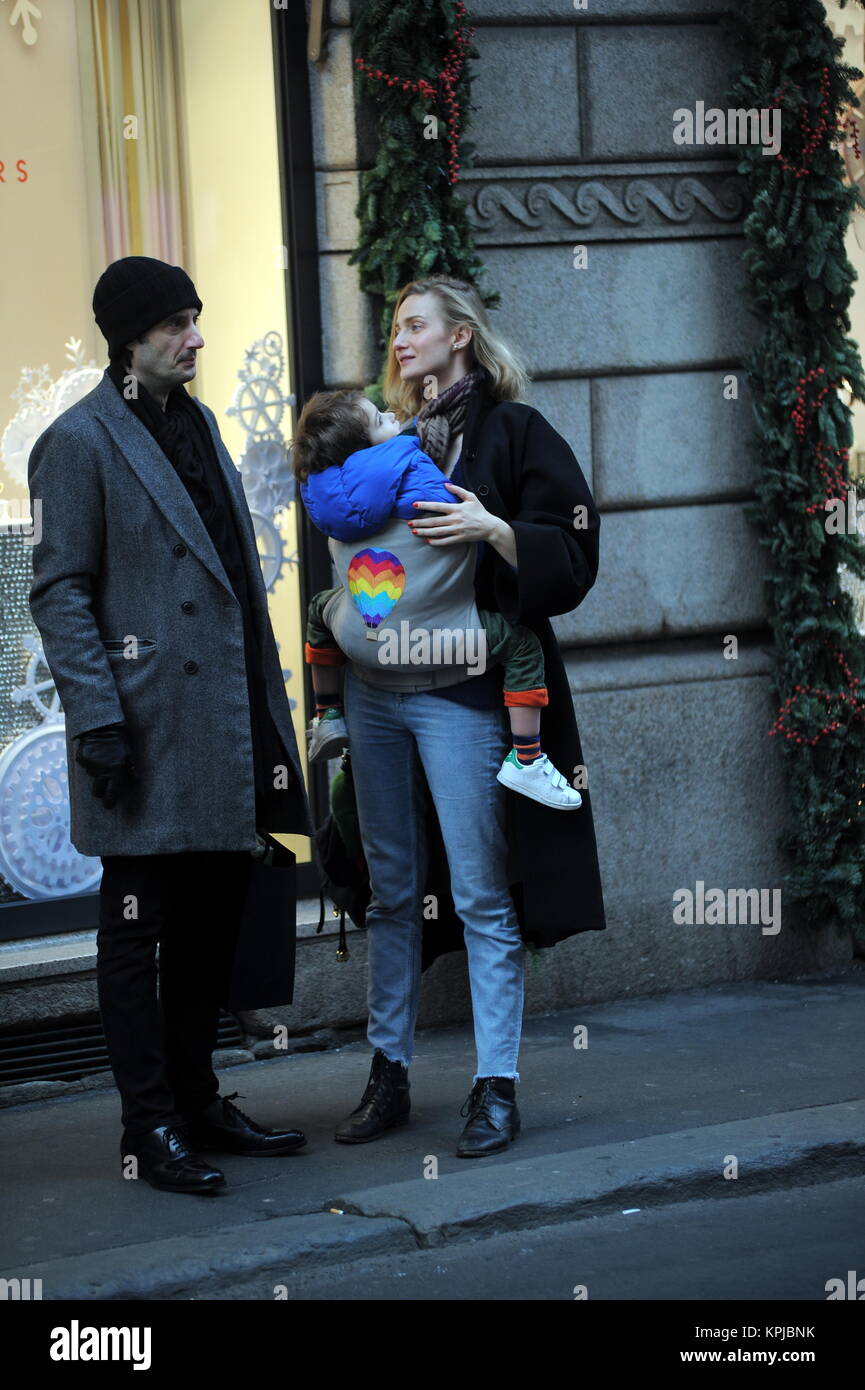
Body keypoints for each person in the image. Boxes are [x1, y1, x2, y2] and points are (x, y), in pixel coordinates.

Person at [27, 256, 313, 1194]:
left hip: (225, 721)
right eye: (175, 325)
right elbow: (60, 592)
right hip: (144, 731)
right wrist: (97, 720)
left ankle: (196, 1101)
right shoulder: (78, 443)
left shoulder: (198, 422)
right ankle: (146, 1127)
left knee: (210, 925)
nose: (194, 338)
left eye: (195, 319)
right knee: (137, 929)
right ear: (129, 338)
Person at [315, 274, 607, 1158]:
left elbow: (576, 545)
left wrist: (493, 528)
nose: (399, 341)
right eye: (395, 329)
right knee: (392, 889)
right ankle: (388, 1071)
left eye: (415, 326)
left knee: (482, 891)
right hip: (372, 695)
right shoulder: (379, 438)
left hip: (463, 694)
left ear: (460, 338)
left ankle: (495, 1085)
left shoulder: (514, 432)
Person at [291, 390, 582, 810]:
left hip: (363, 644)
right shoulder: (407, 455)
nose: (392, 415)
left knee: (319, 608)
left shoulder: (319, 489)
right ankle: (528, 757)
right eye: (379, 419)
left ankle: (327, 713)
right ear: (368, 444)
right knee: (522, 646)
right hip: (446, 641)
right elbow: (446, 505)